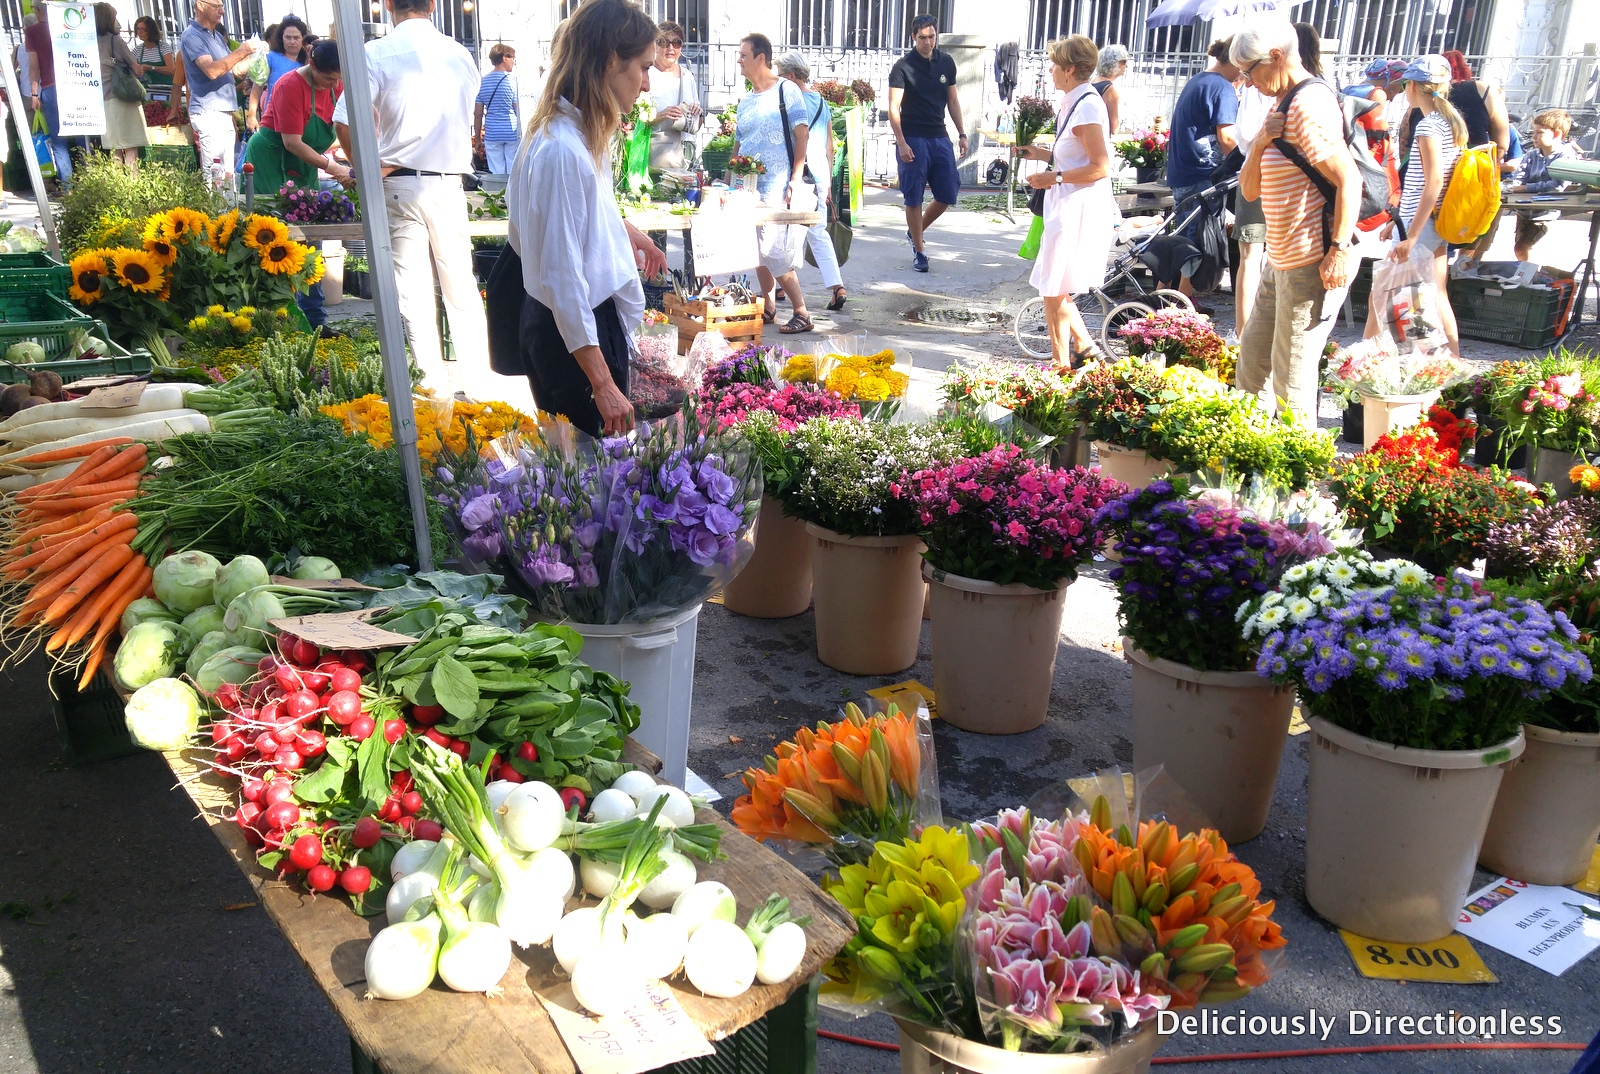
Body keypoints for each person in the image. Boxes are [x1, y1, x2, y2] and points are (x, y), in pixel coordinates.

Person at [332, 0, 515, 406]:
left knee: (414, 294)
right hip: (448, 183)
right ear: (432, 5)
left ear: (387, 6)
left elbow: (343, 120)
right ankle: (480, 389)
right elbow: (460, 119)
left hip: (400, 183)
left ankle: (434, 392)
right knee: (461, 291)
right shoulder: (460, 54)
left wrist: (368, 167)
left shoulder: (376, 52)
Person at [507, 0, 667, 436]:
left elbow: (576, 215)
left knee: (594, 476)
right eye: (644, 67)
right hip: (574, 334)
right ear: (612, 60)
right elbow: (561, 273)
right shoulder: (562, 147)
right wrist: (601, 380)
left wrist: (627, 232)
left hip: (572, 326)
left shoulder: (571, 131)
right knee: (595, 482)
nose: (648, 84)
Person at [1231, 18, 1360, 426]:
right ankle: (1246, 462)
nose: (1247, 83)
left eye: (1249, 72)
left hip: (1312, 260)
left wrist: (1337, 251)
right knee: (1251, 364)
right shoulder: (1279, 104)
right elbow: (1249, 191)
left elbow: (1349, 181)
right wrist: (1261, 142)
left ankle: (1294, 484)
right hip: (1281, 259)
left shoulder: (1307, 104)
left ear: (1276, 57)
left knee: (1292, 384)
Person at [1017, 35, 1116, 368]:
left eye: (1055, 65)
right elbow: (1074, 155)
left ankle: (1060, 365)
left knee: (1052, 284)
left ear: (1070, 69)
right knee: (1053, 283)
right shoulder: (1077, 100)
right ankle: (1086, 348)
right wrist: (1043, 154)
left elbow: (1100, 166)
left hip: (1077, 208)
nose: (1050, 70)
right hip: (1068, 204)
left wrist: (1052, 177)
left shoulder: (1086, 104)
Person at [242, 41, 353, 331]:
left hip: (307, 163)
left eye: (338, 78)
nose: (334, 84)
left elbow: (340, 128)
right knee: (276, 238)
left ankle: (315, 321)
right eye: (329, 78)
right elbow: (292, 142)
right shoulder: (290, 85)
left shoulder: (336, 86)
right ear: (313, 65)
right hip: (270, 159)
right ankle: (278, 320)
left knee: (309, 238)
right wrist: (334, 168)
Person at [1369, 55, 1465, 357]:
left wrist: (1410, 234)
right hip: (1436, 221)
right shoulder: (1451, 122)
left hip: (1419, 224)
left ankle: (1365, 361)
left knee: (1384, 297)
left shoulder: (1427, 127)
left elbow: (1432, 182)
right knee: (1435, 295)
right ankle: (1451, 364)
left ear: (1412, 87)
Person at [733, 33, 816, 335]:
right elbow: (739, 143)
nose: (739, 60)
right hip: (746, 189)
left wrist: (795, 178)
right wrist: (730, 183)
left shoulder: (787, 90)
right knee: (756, 250)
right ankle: (768, 306)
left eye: (743, 55)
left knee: (773, 251)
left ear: (761, 58)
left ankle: (801, 311)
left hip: (777, 185)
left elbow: (802, 134)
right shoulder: (746, 101)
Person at [888, 14, 967, 273]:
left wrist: (962, 133)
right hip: (912, 136)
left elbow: (953, 101)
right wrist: (901, 142)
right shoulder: (902, 67)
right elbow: (893, 107)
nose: (927, 42)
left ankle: (915, 231)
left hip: (939, 135)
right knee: (914, 195)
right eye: (922, 37)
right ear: (913, 37)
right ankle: (920, 251)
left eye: (931, 37)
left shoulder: (946, 63)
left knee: (947, 192)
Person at [1165, 38, 1241, 304]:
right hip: (1204, 174)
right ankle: (1180, 303)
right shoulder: (1222, 88)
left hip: (1184, 170)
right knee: (1197, 240)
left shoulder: (1200, 80)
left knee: (1181, 236)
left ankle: (1164, 295)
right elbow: (1228, 138)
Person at [776, 51, 847, 312]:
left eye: (781, 75)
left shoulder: (790, 101)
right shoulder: (820, 102)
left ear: (792, 77)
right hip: (818, 174)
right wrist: (826, 181)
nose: (778, 80)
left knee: (785, 231)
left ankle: (782, 286)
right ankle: (836, 286)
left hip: (795, 173)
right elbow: (829, 146)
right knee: (818, 233)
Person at [181, 0, 258, 187]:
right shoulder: (192, 36)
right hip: (209, 112)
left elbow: (235, 71)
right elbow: (212, 71)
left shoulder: (215, 35)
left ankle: (228, 214)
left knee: (227, 173)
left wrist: (256, 55)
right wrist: (242, 50)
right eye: (217, 5)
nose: (222, 10)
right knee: (215, 175)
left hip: (223, 111)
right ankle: (215, 214)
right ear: (200, 5)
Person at [1232, 74, 1274, 333]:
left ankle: (1244, 333)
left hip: (1259, 167)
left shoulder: (1258, 83)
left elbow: (1245, 134)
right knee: (1257, 255)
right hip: (1271, 171)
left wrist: (1262, 141)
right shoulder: (1316, 83)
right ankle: (1247, 332)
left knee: (1251, 256)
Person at [1506, 109, 1576, 261]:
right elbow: (1520, 176)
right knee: (1521, 249)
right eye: (1534, 131)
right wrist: (1513, 187)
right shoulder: (1531, 155)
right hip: (1525, 210)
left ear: (1556, 134)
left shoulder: (1566, 155)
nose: (1534, 136)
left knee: (1521, 248)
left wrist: (1525, 188)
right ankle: (1528, 274)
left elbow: (1557, 185)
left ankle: (1529, 275)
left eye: (1540, 132)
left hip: (1545, 212)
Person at [26, 10, 82, 185]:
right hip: (77, 86)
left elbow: (34, 67)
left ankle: (68, 187)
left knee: (59, 142)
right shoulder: (72, 27)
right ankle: (91, 185)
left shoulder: (33, 31)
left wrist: (34, 93)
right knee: (83, 138)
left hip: (51, 88)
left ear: (36, 11)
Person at [95, 4, 149, 169]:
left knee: (115, 146)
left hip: (103, 98)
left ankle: (118, 183)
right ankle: (133, 182)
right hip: (122, 97)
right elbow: (136, 67)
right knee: (130, 145)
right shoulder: (115, 40)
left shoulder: (91, 41)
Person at [645, 22, 700, 170]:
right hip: (656, 154)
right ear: (655, 45)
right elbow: (630, 121)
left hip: (686, 155)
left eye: (676, 43)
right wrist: (661, 115)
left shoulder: (687, 76)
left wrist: (696, 114)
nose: (670, 48)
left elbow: (698, 124)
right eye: (664, 43)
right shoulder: (647, 74)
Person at [1443, 49, 1509, 156]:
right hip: (1474, 161)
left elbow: (1406, 135)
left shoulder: (1428, 91)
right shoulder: (1484, 89)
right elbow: (1502, 142)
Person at [248, 17, 308, 133]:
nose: (292, 41)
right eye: (287, 37)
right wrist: (251, 116)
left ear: (303, 39)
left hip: (302, 120)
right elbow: (257, 87)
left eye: (296, 38)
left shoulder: (308, 62)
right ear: (281, 38)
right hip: (273, 120)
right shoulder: (270, 57)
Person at [475, 44, 521, 173]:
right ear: (504, 58)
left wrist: (478, 138)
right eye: (512, 57)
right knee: (513, 171)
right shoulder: (513, 81)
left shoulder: (482, 82)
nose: (514, 61)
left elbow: (478, 114)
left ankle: (498, 193)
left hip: (492, 133)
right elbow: (517, 108)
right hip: (511, 131)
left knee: (496, 171)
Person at [133, 17, 179, 89]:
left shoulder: (164, 47)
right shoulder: (137, 50)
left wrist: (151, 68)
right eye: (138, 29)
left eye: (143, 29)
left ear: (151, 31)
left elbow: (171, 69)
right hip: (147, 91)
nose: (139, 32)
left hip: (166, 90)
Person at [1092, 43, 1129, 135]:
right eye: (1124, 62)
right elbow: (1114, 129)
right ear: (1114, 63)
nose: (1126, 65)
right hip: (1099, 137)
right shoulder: (1110, 90)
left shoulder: (1091, 82)